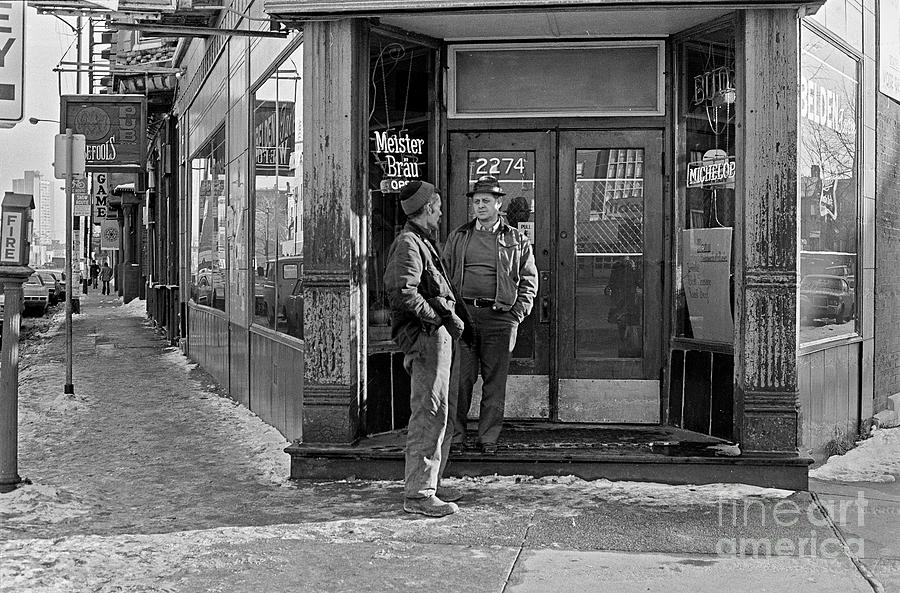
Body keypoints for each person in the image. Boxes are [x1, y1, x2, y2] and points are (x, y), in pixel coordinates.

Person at [384, 180, 467, 518]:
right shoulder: (408, 244)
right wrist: (436, 318)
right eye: (439, 206)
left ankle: (429, 483)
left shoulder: (419, 242)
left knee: (441, 412)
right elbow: (401, 293)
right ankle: (418, 495)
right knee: (428, 414)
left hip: (435, 337)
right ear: (428, 208)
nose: (442, 212)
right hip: (427, 338)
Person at [443, 175, 538, 455]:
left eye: (486, 201)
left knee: (495, 382)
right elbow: (444, 275)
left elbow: (529, 280)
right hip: (464, 318)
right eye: (476, 201)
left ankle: (488, 439)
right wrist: (450, 312)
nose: (480, 206)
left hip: (499, 318)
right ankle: (457, 437)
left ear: (499, 204)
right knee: (460, 380)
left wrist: (516, 315)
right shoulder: (459, 236)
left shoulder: (516, 239)